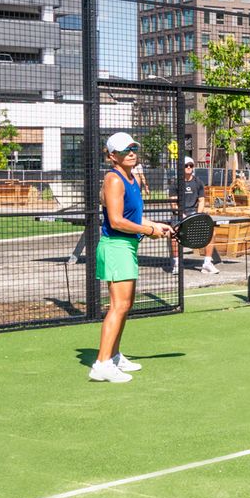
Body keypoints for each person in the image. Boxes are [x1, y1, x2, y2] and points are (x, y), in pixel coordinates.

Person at [91, 132, 172, 383]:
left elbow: (133, 218)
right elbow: (116, 221)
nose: (132, 153)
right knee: (118, 306)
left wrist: (156, 225)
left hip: (126, 247)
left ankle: (114, 356)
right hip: (116, 247)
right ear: (112, 156)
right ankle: (101, 364)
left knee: (126, 305)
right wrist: (149, 231)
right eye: (126, 150)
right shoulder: (114, 179)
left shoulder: (132, 178)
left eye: (134, 148)